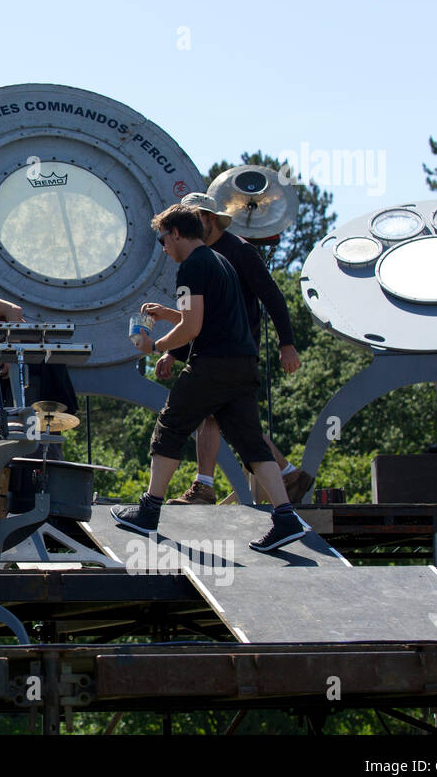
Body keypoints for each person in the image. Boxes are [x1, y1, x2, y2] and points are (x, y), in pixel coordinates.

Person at [111, 204, 306, 552]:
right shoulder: (221, 262)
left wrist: (155, 345)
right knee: (251, 443)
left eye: (162, 239)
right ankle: (286, 517)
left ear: (176, 233)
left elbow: (192, 327)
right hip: (242, 365)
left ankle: (149, 510)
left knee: (170, 427)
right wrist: (168, 314)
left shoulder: (191, 268)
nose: (163, 248)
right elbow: (203, 316)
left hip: (213, 364)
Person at [156, 192, 313, 505]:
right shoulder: (200, 258)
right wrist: (173, 352)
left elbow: (272, 296)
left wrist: (287, 344)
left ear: (210, 219)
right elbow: (199, 319)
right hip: (215, 349)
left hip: (231, 350)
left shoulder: (236, 252)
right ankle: (285, 478)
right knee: (233, 425)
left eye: (194, 217)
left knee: (186, 421)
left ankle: (191, 490)